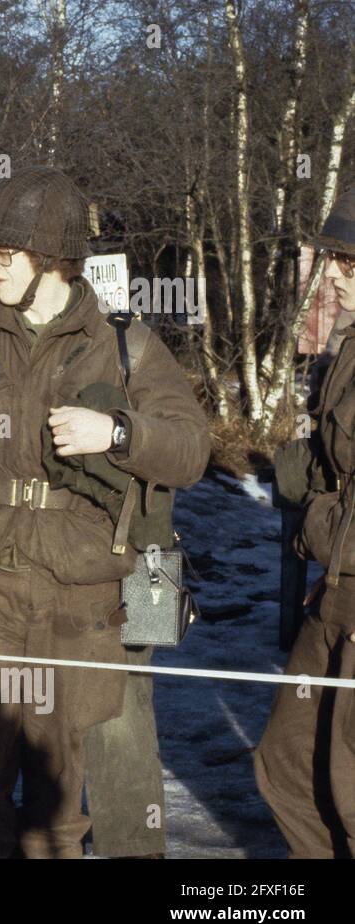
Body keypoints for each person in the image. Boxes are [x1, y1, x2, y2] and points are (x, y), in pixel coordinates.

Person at [0, 165, 209, 857]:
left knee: (58, 797)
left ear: (52, 261)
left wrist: (120, 434)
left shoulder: (125, 347)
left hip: (82, 591)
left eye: (4, 254)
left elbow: (190, 449)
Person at [255, 187, 355, 857]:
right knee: (287, 762)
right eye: (336, 260)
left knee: (349, 779)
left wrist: (318, 517)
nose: (337, 276)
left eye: (349, 262)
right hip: (338, 588)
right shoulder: (347, 347)